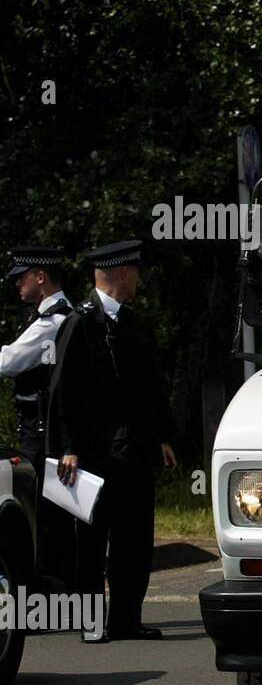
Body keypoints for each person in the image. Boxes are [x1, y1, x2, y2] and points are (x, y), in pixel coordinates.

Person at [47, 241, 177, 642]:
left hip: (134, 451)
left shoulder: (133, 323)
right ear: (122, 272)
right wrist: (67, 445)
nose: (138, 279)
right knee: (91, 542)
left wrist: (164, 436)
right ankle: (90, 622)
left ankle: (126, 619)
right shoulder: (79, 323)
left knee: (134, 540)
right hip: (93, 454)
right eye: (134, 271)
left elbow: (153, 385)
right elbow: (63, 390)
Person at [1, 246, 74, 586]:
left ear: (41, 277)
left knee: (44, 517)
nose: (17, 284)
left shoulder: (52, 322)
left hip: (42, 435)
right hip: (47, 432)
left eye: (22, 277)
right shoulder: (53, 316)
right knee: (52, 516)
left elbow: (9, 362)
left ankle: (52, 593)